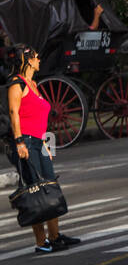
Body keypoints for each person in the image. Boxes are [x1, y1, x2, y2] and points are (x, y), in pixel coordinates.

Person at [4, 45, 79, 254]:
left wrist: (48, 143)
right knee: (34, 189)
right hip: (25, 142)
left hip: (41, 141)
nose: (39, 60)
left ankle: (55, 236)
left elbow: (40, 117)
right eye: (36, 57)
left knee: (50, 186)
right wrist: (19, 142)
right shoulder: (16, 85)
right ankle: (41, 242)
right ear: (27, 60)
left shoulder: (34, 84)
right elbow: (13, 113)